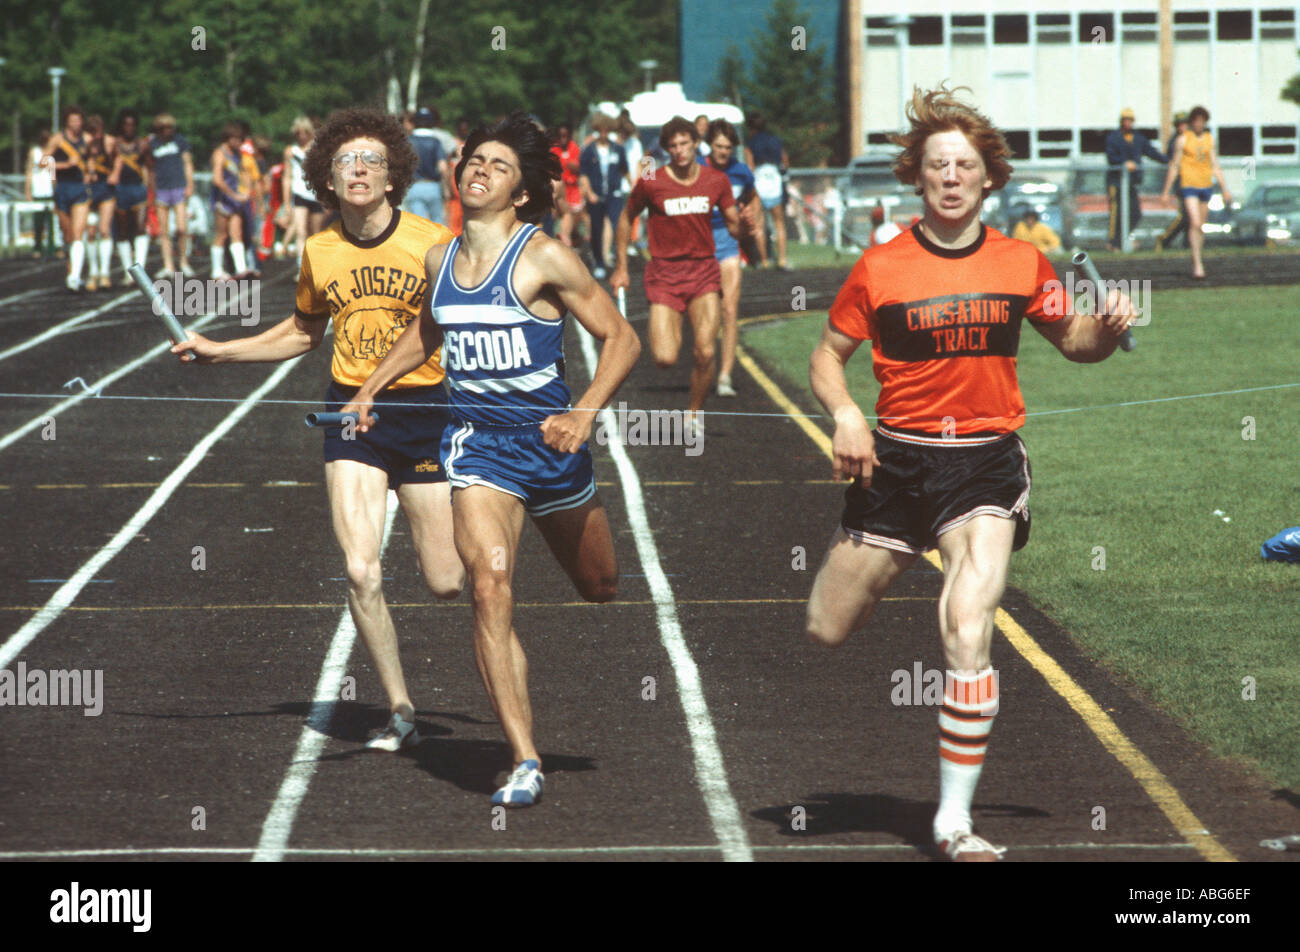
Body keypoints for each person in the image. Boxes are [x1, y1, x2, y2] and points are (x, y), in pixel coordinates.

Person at [804, 84, 1136, 862]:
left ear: (988, 177)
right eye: (935, 165)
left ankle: (953, 822)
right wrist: (847, 416)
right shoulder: (879, 266)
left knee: (965, 625)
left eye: (964, 165)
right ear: (916, 178)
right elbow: (827, 356)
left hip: (983, 463)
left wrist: (1111, 326)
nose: (951, 177)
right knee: (826, 627)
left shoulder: (1022, 261)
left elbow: (1076, 341)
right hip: (894, 460)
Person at [340, 111, 641, 806]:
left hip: (551, 447)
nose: (478, 170)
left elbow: (621, 337)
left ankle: (531, 747)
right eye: (473, 159)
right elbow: (426, 333)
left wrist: (584, 411)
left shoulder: (544, 258)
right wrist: (369, 388)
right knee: (488, 584)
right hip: (479, 449)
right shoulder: (439, 259)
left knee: (600, 586)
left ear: (523, 192)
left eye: (498, 166)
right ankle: (525, 759)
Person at [172, 107, 465, 751]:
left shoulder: (433, 242)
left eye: (370, 161)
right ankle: (401, 708)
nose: (356, 170)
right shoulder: (320, 249)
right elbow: (301, 333)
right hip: (349, 420)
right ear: (325, 180)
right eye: (343, 162)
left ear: (393, 176)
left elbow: (447, 326)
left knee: (447, 581)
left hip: (423, 415)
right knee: (361, 570)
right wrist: (219, 349)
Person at [611, 115, 741, 437]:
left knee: (706, 351)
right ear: (666, 150)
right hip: (665, 275)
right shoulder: (653, 180)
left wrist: (746, 227)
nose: (680, 150)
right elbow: (627, 217)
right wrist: (621, 267)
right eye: (673, 146)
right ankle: (677, 329)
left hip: (703, 272)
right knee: (665, 358)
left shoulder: (716, 180)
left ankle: (693, 414)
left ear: (697, 144)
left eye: (685, 143)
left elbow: (734, 225)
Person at [699, 118, 758, 398]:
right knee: (704, 313)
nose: (723, 152)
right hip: (699, 246)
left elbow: (752, 196)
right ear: (709, 145)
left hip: (728, 244)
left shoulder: (741, 171)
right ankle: (704, 366)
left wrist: (749, 217)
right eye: (719, 146)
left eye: (728, 147)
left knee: (729, 311)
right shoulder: (697, 168)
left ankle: (725, 376)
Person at [1161, 106, 1233, 280]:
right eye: (1196, 121)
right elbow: (1175, 166)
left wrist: (1224, 189)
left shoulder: (1209, 139)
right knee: (1194, 222)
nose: (1199, 124)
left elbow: (1215, 165)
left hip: (1205, 185)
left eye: (1202, 121)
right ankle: (1197, 264)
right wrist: (1166, 190)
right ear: (1191, 122)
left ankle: (1198, 256)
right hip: (1189, 185)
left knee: (1200, 225)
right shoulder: (1183, 140)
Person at [1103, 107, 1166, 251]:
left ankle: (1120, 240)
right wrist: (1124, 163)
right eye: (1126, 120)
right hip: (1116, 181)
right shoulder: (1113, 137)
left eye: (1130, 120)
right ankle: (1112, 243)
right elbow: (1111, 157)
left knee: (1136, 213)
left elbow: (1151, 152)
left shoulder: (1138, 138)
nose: (1128, 123)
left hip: (1131, 182)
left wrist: (1167, 160)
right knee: (1116, 212)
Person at [44, 106, 93, 292]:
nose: (76, 124)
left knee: (78, 233)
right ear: (67, 122)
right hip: (63, 189)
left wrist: (90, 171)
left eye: (79, 120)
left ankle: (75, 276)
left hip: (80, 189)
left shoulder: (87, 139)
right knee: (68, 236)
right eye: (73, 121)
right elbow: (43, 162)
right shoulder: (58, 139)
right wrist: (63, 165)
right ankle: (71, 269)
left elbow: (92, 158)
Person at [577, 114, 628, 279]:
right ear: (597, 130)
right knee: (596, 229)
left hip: (614, 195)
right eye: (601, 130)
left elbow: (624, 170)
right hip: (596, 195)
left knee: (616, 225)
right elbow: (583, 174)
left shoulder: (618, 149)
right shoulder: (589, 150)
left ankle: (613, 258)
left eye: (607, 130)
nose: (604, 133)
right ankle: (598, 261)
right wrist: (589, 192)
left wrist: (634, 186)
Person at [209, 121, 260, 281]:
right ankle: (216, 271)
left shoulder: (238, 154)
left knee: (236, 233)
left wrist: (245, 192)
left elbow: (242, 176)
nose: (239, 143)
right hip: (222, 200)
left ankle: (241, 269)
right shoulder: (220, 153)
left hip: (235, 200)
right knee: (221, 235)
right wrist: (234, 195)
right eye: (236, 139)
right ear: (228, 138)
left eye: (241, 139)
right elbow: (217, 180)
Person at [147, 113, 195, 277]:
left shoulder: (180, 141)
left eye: (170, 128)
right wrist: (151, 191)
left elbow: (187, 163)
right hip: (161, 189)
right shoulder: (152, 144)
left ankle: (183, 261)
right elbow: (150, 170)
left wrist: (190, 184)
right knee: (164, 232)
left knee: (182, 228)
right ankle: (168, 265)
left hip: (178, 187)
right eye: (164, 128)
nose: (168, 131)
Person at [108, 110, 151, 284]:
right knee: (123, 230)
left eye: (132, 125)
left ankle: (140, 269)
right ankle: (128, 272)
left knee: (140, 227)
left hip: (137, 188)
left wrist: (149, 189)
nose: (129, 128)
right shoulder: (114, 145)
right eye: (126, 124)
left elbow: (149, 167)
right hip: (120, 189)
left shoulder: (142, 145)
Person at [745, 112, 790, 269]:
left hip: (759, 179)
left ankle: (764, 260)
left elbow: (750, 166)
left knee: (759, 224)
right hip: (774, 178)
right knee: (779, 223)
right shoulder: (776, 140)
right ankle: (782, 259)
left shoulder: (750, 143)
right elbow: (785, 161)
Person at [279, 116, 326, 262]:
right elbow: (287, 177)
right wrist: (287, 203)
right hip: (299, 193)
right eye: (299, 133)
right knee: (300, 232)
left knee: (316, 233)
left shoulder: (317, 149)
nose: (302, 136)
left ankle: (315, 265)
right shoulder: (290, 151)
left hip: (315, 194)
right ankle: (301, 267)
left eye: (305, 132)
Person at [84, 115, 118, 291]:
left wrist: (115, 174)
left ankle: (105, 273)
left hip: (106, 189)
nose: (95, 137)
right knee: (90, 232)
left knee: (104, 230)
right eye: (92, 133)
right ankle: (93, 272)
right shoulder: (84, 144)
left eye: (98, 132)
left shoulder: (110, 142)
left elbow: (120, 158)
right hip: (89, 190)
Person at [404, 107, 448, 225]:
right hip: (433, 186)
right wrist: (447, 189)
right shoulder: (435, 141)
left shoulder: (408, 141)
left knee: (418, 225)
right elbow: (443, 167)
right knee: (438, 224)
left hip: (414, 187)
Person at [1156, 111, 1190, 252]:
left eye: (1184, 124)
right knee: (1185, 216)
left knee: (1192, 218)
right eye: (1179, 124)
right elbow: (1173, 165)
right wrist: (1166, 190)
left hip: (1195, 182)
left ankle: (1188, 245)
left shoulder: (1193, 138)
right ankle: (1164, 239)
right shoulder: (1175, 141)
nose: (1182, 127)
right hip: (1182, 183)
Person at [550, 122, 583, 247]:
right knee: (556, 214)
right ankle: (560, 239)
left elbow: (580, 167)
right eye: (560, 136)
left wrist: (575, 167)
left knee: (574, 220)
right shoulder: (554, 150)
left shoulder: (574, 148)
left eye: (565, 136)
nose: (563, 140)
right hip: (559, 190)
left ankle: (572, 238)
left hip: (572, 190)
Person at [25, 131, 56, 259]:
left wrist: (56, 189)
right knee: (38, 221)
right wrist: (28, 190)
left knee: (53, 222)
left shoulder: (52, 153)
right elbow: (29, 171)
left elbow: (54, 173)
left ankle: (53, 247)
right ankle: (37, 247)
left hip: (49, 191)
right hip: (38, 190)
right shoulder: (34, 152)